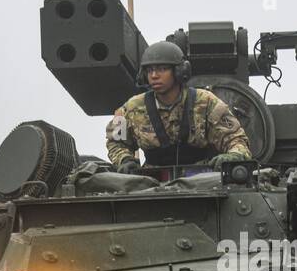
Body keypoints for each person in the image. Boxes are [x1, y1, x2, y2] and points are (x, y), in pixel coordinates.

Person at [105, 41, 251, 173]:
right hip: (152, 182)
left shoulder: (206, 101)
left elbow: (235, 138)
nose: (154, 75)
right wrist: (124, 159)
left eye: (162, 69)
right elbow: (115, 141)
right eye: (150, 70)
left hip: (201, 179)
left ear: (179, 72)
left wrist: (234, 155)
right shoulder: (131, 108)